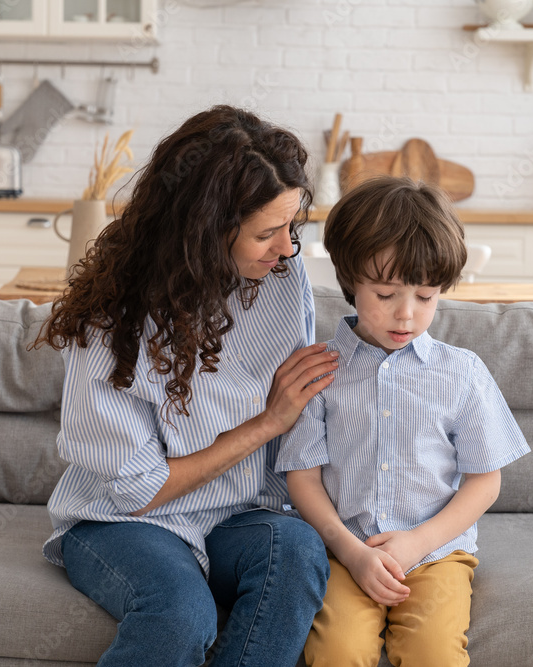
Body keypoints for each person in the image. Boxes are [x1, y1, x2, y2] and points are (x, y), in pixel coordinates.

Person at [33, 105, 339, 667]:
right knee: (179, 614)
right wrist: (266, 424)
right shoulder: (114, 320)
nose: (288, 251)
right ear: (203, 230)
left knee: (296, 551)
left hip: (241, 517)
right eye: (266, 233)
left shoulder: (279, 276)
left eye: (291, 228)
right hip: (124, 522)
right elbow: (135, 490)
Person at [276, 176, 531, 667]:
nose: (406, 315)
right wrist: (351, 553)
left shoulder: (461, 372)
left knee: (434, 656)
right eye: (387, 293)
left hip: (435, 554)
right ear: (350, 282)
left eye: (426, 296)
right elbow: (302, 479)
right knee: (337, 652)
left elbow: (485, 481)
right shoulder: (320, 370)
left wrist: (419, 541)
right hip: (346, 553)